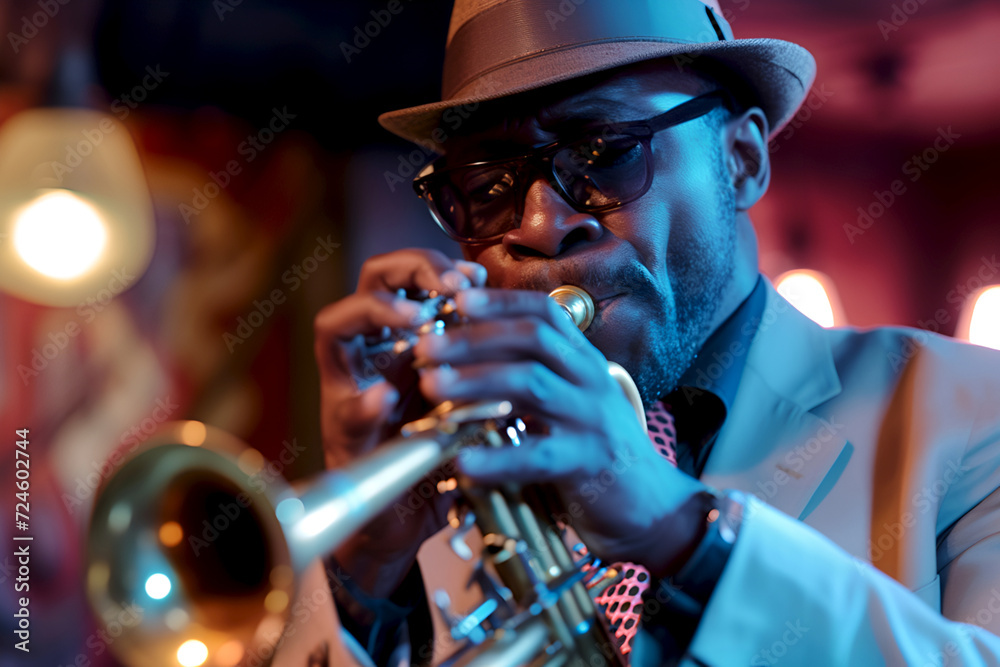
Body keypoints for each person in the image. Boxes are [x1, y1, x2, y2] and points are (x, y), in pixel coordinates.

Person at [312, 0, 1000, 664]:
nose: (540, 228)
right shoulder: (447, 479)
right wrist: (365, 572)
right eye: (488, 185)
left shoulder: (974, 412)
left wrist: (681, 531)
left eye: (605, 152)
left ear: (741, 158)